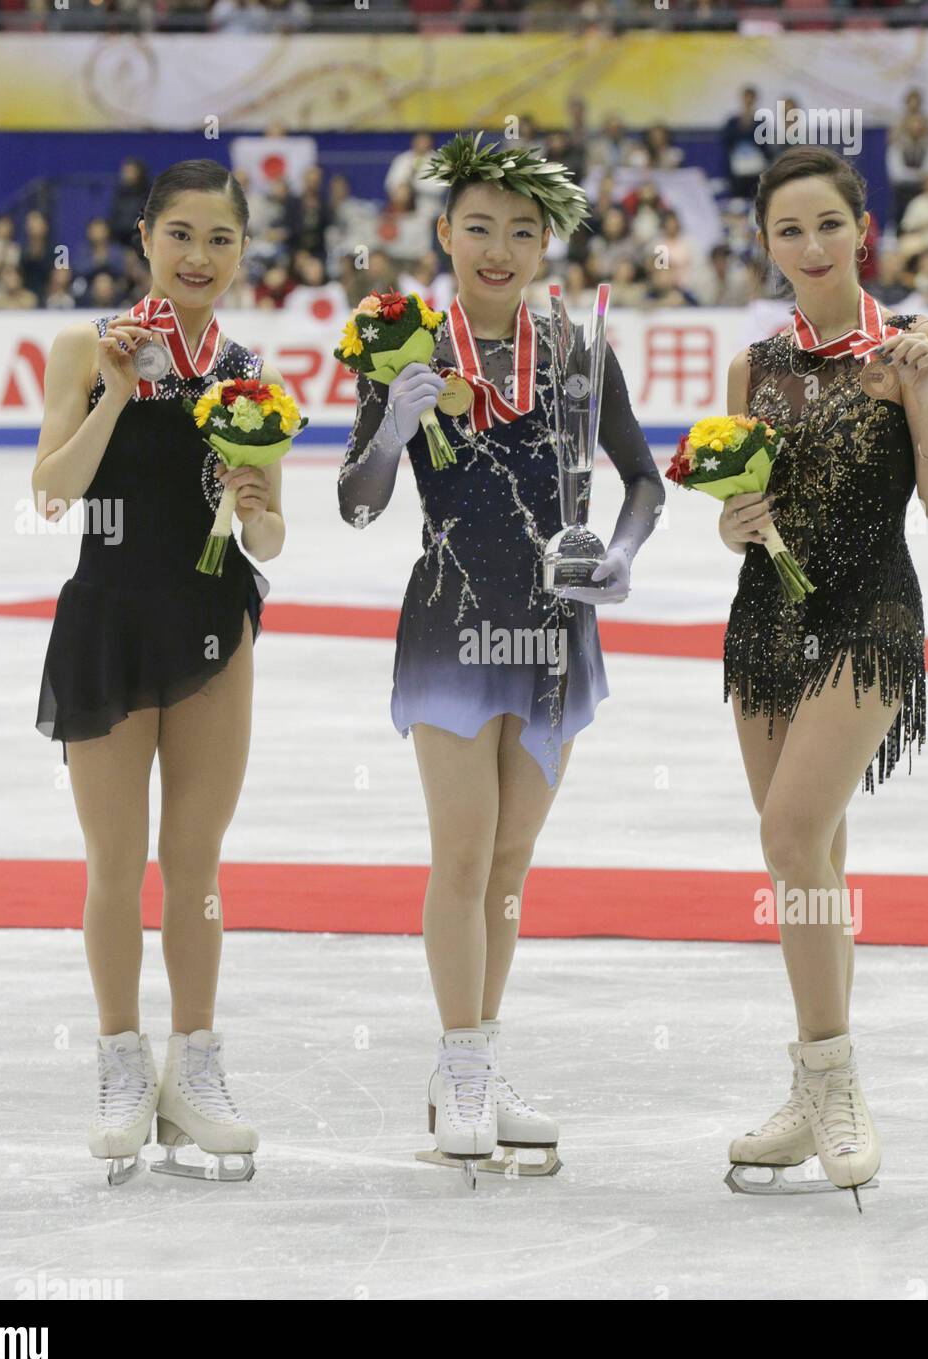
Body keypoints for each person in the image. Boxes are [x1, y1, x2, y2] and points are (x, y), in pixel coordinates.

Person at [337, 132, 664, 1185]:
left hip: (557, 630)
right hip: (453, 620)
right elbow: (355, 501)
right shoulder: (403, 345)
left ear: (543, 245)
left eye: (521, 231)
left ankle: (475, 1055)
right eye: (478, 226)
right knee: (465, 855)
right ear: (444, 233)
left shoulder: (573, 348)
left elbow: (643, 482)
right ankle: (462, 1061)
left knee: (512, 864)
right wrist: (390, 424)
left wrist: (615, 557)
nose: (498, 246)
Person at [32, 159, 288, 1185]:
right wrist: (116, 392)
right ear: (144, 238)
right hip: (105, 621)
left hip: (213, 625)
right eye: (181, 234)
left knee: (195, 861)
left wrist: (250, 496)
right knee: (113, 862)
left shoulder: (248, 365)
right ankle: (118, 1065)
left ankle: (198, 1065)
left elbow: (271, 535)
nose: (200, 256)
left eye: (220, 240)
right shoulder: (84, 349)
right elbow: (53, 491)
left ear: (239, 252)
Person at [720, 146, 928, 1208]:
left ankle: (833, 1080)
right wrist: (734, 522)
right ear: (766, 244)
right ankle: (812, 1080)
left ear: (861, 230)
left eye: (828, 224)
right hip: (767, 618)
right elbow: (740, 511)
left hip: (869, 616)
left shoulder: (915, 345)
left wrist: (923, 404)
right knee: (812, 854)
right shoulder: (754, 367)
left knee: (787, 834)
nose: (810, 246)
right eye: (788, 230)